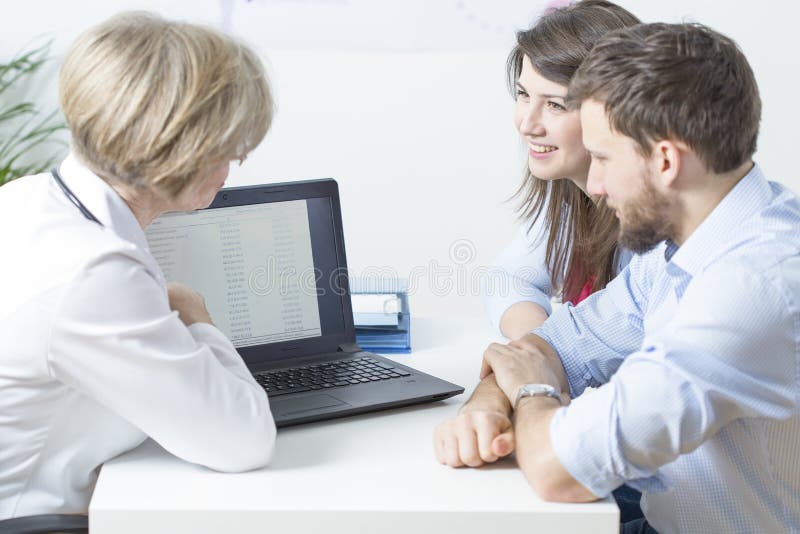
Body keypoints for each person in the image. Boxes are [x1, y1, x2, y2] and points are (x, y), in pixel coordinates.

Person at [439, 21, 800, 534]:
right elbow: (555, 344)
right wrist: (486, 404)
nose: (596, 184)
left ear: (666, 161)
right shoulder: (683, 247)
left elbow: (558, 471)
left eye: (603, 158)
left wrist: (529, 392)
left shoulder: (751, 291)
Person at [0, 12, 277, 519]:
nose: (235, 163)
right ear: (175, 148)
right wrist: (198, 320)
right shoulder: (94, 272)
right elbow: (244, 439)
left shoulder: (23, 199)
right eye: (227, 147)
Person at [484, 0, 638, 341]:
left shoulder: (653, 222)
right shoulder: (571, 194)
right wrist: (536, 345)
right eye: (524, 95)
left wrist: (545, 355)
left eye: (555, 104)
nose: (527, 125)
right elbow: (507, 278)